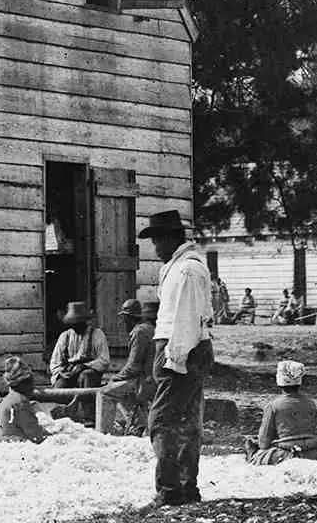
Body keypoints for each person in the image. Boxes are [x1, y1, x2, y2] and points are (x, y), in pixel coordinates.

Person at [141, 209, 214, 507]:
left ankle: (170, 489)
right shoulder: (177, 266)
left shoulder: (187, 270)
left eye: (158, 240)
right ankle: (186, 488)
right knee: (185, 421)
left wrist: (176, 358)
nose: (155, 247)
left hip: (180, 349)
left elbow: (186, 319)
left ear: (173, 238)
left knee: (161, 421)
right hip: (178, 348)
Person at [244, 360, 317, 465]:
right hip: (313, 452)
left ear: (279, 380)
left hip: (284, 454)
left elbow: (263, 443)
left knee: (249, 445)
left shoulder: (273, 406)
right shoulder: (311, 404)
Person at [100, 298, 159, 435]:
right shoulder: (150, 329)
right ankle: (138, 425)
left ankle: (104, 432)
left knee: (106, 392)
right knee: (123, 389)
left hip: (147, 380)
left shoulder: (139, 332)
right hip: (152, 377)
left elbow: (133, 367)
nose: (123, 323)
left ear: (129, 318)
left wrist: (115, 378)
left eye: (124, 319)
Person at [48, 300, 111, 422]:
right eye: (73, 323)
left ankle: (89, 418)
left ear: (85, 321)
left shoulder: (97, 334)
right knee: (60, 386)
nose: (76, 326)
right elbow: (55, 363)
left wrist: (85, 366)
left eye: (79, 323)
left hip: (89, 370)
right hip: (69, 371)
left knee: (86, 377)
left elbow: (104, 360)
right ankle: (65, 418)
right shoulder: (65, 336)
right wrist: (62, 372)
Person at [0, 356, 49, 443]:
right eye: (30, 382)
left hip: (4, 440)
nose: (33, 386)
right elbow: (34, 433)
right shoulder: (21, 402)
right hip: (16, 443)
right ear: (24, 383)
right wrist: (49, 434)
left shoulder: (7, 399)